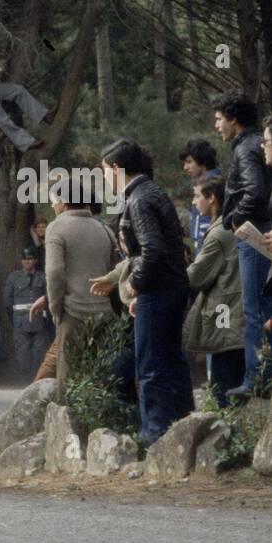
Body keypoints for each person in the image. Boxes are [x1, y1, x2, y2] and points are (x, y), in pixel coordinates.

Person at [104, 138, 192, 442]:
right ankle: (185, 426)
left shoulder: (138, 199)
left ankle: (153, 433)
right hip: (172, 287)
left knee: (150, 364)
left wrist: (134, 283)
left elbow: (152, 251)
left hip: (157, 289)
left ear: (117, 169)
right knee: (171, 360)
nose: (104, 179)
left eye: (105, 172)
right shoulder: (153, 192)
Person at [29, 175, 117, 394]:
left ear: (64, 203)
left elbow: (54, 272)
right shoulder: (104, 229)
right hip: (105, 315)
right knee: (98, 376)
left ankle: (67, 425)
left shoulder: (57, 227)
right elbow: (117, 270)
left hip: (73, 313)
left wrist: (56, 308)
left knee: (67, 380)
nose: (51, 205)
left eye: (53, 201)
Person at [213, 91, 272, 397]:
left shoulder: (246, 148)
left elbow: (255, 191)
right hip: (259, 232)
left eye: (219, 119)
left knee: (256, 308)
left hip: (255, 235)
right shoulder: (252, 145)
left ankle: (259, 379)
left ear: (233, 119)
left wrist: (235, 219)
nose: (216, 126)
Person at [181, 178, 244, 406]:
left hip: (224, 311)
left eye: (197, 195)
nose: (194, 201)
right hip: (234, 308)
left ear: (212, 198)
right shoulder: (232, 225)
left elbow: (196, 276)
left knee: (223, 381)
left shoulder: (219, 234)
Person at [1, 246, 52, 382]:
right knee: (22, 354)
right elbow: (7, 301)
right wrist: (14, 318)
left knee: (39, 352)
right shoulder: (14, 277)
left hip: (39, 320)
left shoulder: (42, 277)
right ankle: (24, 381)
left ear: (35, 260)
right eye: (24, 259)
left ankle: (36, 380)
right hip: (20, 319)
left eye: (30, 259)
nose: (27, 262)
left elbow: (49, 297)